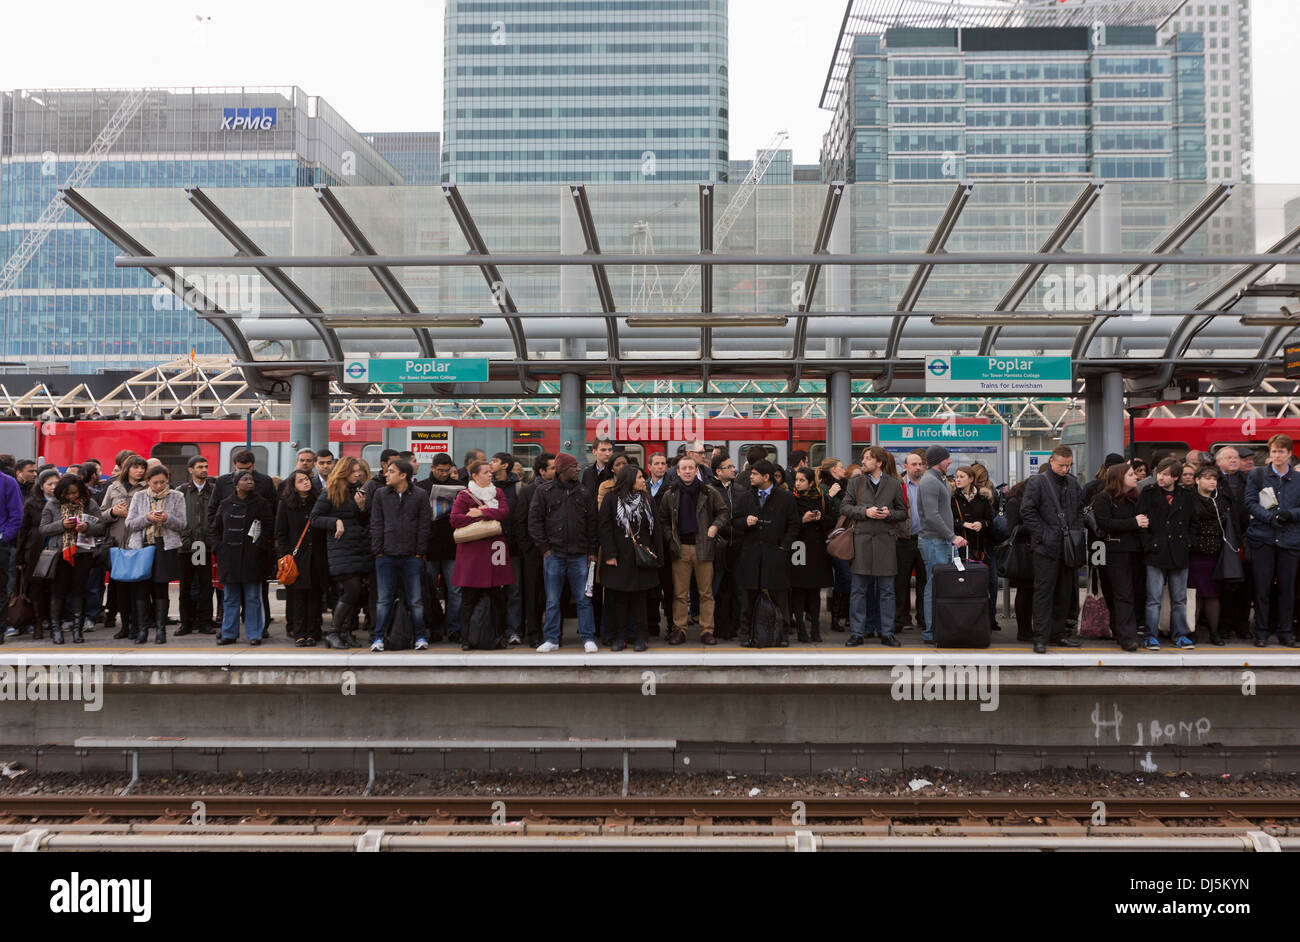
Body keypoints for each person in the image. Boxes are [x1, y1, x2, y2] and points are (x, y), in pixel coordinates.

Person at [529, 452, 598, 653]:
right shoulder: (544, 491)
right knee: (552, 599)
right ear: (562, 470)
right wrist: (545, 549)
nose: (578, 469)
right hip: (554, 554)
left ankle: (588, 637)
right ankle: (551, 638)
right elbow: (534, 521)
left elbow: (592, 524)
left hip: (579, 554)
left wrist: (592, 551)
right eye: (574, 466)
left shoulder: (584, 493)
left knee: (584, 598)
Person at [1020, 446, 1086, 653]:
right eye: (1061, 465)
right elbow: (1027, 510)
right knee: (1044, 593)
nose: (1065, 469)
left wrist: (1074, 531)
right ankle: (1041, 636)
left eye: (1068, 465)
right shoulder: (1038, 482)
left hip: (1066, 547)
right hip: (1046, 548)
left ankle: (1057, 634)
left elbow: (1078, 512)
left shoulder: (1073, 483)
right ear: (1051, 461)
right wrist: (1042, 535)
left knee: (1064, 593)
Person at [657, 454, 727, 645]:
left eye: (691, 468)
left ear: (696, 471)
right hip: (680, 549)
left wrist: (714, 526)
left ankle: (706, 631)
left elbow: (723, 512)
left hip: (703, 548)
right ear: (677, 472)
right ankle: (680, 630)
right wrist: (670, 538)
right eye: (684, 469)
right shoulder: (669, 494)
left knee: (706, 593)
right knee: (680, 594)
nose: (687, 471)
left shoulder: (709, 491)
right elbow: (662, 519)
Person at [841, 445, 906, 647]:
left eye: (868, 458)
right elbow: (844, 507)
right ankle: (857, 632)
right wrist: (865, 512)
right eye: (864, 458)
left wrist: (889, 514)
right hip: (861, 541)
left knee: (887, 590)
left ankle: (887, 633)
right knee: (858, 589)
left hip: (885, 541)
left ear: (879, 462)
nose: (864, 462)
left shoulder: (894, 484)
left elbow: (903, 512)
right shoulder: (855, 482)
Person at [208, 449, 278, 633]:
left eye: (249, 472)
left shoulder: (265, 485)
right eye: (241, 472)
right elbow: (213, 516)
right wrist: (219, 546)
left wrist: (262, 545)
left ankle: (258, 630)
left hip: (254, 553)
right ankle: (229, 632)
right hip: (229, 553)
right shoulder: (223, 485)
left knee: (255, 595)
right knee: (229, 596)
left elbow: (271, 518)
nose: (249, 480)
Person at [733, 460, 800, 647]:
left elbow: (794, 524)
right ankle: (746, 634)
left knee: (779, 595)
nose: (750, 476)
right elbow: (735, 521)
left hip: (775, 553)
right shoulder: (746, 497)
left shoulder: (785, 498)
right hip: (751, 554)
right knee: (748, 595)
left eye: (754, 474)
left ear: (766, 477)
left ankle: (782, 634)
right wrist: (745, 521)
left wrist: (784, 546)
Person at [598, 464, 662, 651]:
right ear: (630, 479)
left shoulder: (647, 499)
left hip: (642, 558)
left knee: (640, 599)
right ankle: (621, 636)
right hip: (619, 557)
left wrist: (656, 553)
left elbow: (654, 529)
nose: (644, 481)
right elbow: (605, 528)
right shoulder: (611, 499)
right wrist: (609, 554)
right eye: (641, 477)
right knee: (620, 599)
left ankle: (642, 636)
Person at [1244, 433, 1300, 647]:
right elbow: (1249, 502)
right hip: (1263, 539)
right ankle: (1261, 632)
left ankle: (1285, 633)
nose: (1277, 455)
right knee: (1261, 588)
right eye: (1274, 451)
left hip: (1290, 541)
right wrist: (1270, 517)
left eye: (1281, 452)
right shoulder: (1257, 475)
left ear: (1289, 454)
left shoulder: (1298, 479)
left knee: (1288, 590)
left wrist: (1289, 515)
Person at [370, 458, 431, 652]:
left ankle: (420, 636)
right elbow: (376, 523)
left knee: (415, 599)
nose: (386, 474)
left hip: (411, 555)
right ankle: (379, 637)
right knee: (384, 599)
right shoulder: (381, 494)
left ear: (403, 475)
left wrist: (419, 551)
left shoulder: (420, 494)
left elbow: (424, 525)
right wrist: (378, 550)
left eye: (391, 471)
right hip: (385, 554)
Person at [450, 460, 512, 650]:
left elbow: (503, 513)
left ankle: (499, 635)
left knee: (497, 598)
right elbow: (455, 519)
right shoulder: (464, 495)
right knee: (469, 598)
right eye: (485, 472)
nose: (489, 475)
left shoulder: (498, 492)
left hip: (494, 551)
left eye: (490, 472)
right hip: (472, 553)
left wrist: (482, 512)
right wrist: (476, 515)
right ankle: (466, 638)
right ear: (474, 476)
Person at [38, 474, 105, 645]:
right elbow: (43, 529)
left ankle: (77, 629)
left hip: (83, 553)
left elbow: (101, 527)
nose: (72, 497)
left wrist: (87, 527)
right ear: (61, 493)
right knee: (58, 592)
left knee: (79, 591)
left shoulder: (90, 503)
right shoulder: (52, 504)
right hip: (59, 554)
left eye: (75, 493)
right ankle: (56, 629)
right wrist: (61, 525)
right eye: (68, 494)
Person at [1135, 456, 1194, 650]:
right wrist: (1149, 545)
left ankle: (1180, 635)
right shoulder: (1148, 493)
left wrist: (1187, 543)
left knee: (1179, 599)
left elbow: (1192, 523)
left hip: (1179, 551)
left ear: (1176, 477)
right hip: (1156, 551)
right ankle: (1151, 635)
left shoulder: (1186, 495)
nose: (1161, 477)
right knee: (1153, 598)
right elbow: (1141, 522)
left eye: (1166, 474)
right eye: (1159, 473)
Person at [310, 456, 369, 650]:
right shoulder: (330, 492)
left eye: (358, 471)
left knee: (354, 592)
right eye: (353, 471)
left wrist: (361, 508)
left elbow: (362, 521)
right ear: (344, 472)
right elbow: (315, 518)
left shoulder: (357, 491)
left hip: (357, 549)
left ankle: (345, 632)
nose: (357, 474)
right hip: (341, 549)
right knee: (351, 590)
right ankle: (334, 632)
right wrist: (334, 522)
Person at [124, 465, 185, 645]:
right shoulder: (139, 496)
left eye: (163, 482)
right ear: (148, 482)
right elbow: (130, 523)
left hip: (164, 546)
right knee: (141, 589)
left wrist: (167, 518)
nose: (159, 486)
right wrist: (147, 518)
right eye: (155, 482)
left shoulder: (177, 496)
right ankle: (143, 630)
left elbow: (182, 524)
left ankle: (160, 630)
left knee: (161, 588)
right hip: (142, 546)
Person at [1092, 462, 1146, 652]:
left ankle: (1122, 631)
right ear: (1119, 477)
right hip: (1114, 552)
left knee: (1131, 594)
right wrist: (1134, 522)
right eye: (1131, 474)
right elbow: (1105, 523)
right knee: (1123, 595)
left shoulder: (1135, 498)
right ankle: (1127, 637)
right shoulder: (1103, 498)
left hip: (1135, 552)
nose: (1136, 477)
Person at [916, 446, 968, 644]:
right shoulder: (930, 481)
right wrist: (952, 536)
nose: (949, 462)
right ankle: (931, 631)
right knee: (934, 586)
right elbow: (931, 515)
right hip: (934, 542)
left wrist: (950, 537)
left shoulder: (942, 479)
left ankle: (940, 627)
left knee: (941, 586)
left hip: (943, 541)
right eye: (947, 459)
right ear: (939, 460)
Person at [276, 469, 326, 647]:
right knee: (297, 597)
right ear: (294, 486)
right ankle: (299, 633)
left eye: (307, 479)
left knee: (314, 596)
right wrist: (286, 554)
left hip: (316, 557)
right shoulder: (286, 504)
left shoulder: (318, 501)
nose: (306, 482)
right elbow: (281, 532)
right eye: (301, 481)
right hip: (296, 558)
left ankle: (313, 632)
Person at [102, 455, 148, 640]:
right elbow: (100, 513)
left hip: (139, 544)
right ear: (127, 468)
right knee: (120, 588)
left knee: (139, 587)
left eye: (142, 468)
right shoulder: (113, 488)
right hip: (117, 543)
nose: (140, 471)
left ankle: (138, 625)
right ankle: (124, 626)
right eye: (136, 467)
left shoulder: (147, 488)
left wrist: (134, 515)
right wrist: (113, 512)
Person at [422, 453, 466, 642]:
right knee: (430, 589)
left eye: (446, 471)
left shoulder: (459, 488)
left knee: (455, 589)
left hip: (452, 544)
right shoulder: (422, 487)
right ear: (432, 468)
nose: (443, 474)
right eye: (440, 470)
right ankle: (435, 627)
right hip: (429, 547)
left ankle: (453, 628)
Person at [788, 467, 834, 643]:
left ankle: (815, 629)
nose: (798, 483)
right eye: (797, 480)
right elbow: (786, 523)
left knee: (814, 591)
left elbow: (832, 520)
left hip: (817, 550)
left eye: (801, 480)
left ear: (810, 483)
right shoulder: (791, 499)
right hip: (798, 549)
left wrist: (819, 518)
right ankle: (801, 629)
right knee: (798, 590)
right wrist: (802, 520)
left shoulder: (820, 498)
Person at [13, 469, 60, 639]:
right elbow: (23, 530)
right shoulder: (31, 503)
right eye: (50, 484)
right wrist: (19, 557)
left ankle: (55, 625)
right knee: (36, 589)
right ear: (41, 486)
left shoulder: (64, 502)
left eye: (56, 483)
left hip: (57, 550)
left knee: (56, 588)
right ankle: (38, 623)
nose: (54, 487)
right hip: (35, 551)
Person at [1188, 465, 1231, 647]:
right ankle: (1192, 632)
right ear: (1198, 480)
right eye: (1207, 477)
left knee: (1213, 594)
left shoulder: (1221, 499)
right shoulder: (1189, 498)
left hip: (1216, 553)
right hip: (1194, 554)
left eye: (1214, 478)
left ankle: (1214, 633)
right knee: (1194, 595)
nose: (1212, 481)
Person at [514, 453, 553, 648]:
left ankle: (554, 632)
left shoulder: (559, 490)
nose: (556, 471)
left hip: (555, 551)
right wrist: (527, 549)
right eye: (552, 468)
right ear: (542, 471)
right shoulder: (528, 492)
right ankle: (534, 632)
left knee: (552, 594)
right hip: (533, 553)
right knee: (532, 594)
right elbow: (520, 522)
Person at [1214, 446, 1252, 640]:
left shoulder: (1249, 480)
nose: (1233, 460)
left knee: (1246, 585)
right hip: (1223, 539)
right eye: (1229, 457)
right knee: (1226, 585)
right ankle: (1224, 625)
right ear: (1218, 461)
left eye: (1236, 457)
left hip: (1247, 538)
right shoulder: (1215, 481)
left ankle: (1242, 625)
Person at [177, 456, 217, 636]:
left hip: (203, 545)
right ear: (190, 470)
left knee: (205, 586)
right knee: (185, 586)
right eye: (200, 467)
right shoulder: (181, 491)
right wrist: (184, 539)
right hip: (186, 545)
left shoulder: (214, 490)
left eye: (206, 466)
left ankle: (205, 622)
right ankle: (186, 622)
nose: (204, 469)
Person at [489, 451, 525, 645]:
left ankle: (514, 630)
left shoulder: (518, 487)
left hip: (513, 547)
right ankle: (495, 628)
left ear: (505, 465)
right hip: (492, 545)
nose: (491, 464)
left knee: (514, 590)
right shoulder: (487, 487)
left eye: (494, 461)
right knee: (494, 589)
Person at [708, 452, 741, 640]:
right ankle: (716, 626)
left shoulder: (739, 489)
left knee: (736, 588)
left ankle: (735, 625)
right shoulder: (710, 490)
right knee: (716, 588)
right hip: (718, 546)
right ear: (718, 471)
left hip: (736, 545)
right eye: (729, 467)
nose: (733, 469)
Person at [895, 448, 927, 634]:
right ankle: (902, 618)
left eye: (920, 464)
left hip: (925, 539)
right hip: (904, 539)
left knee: (925, 581)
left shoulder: (928, 485)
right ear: (905, 466)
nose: (918, 467)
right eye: (913, 464)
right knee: (901, 581)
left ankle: (923, 618)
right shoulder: (899, 486)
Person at [818, 458, 851, 632]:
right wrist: (830, 495)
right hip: (829, 538)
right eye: (840, 467)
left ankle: (839, 615)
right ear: (832, 470)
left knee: (844, 577)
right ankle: (835, 617)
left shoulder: (846, 486)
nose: (843, 469)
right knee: (839, 576)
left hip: (844, 538)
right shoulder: (823, 488)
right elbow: (821, 511)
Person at [1001, 478, 1036, 641]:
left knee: (1030, 592)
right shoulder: (1014, 502)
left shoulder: (1029, 500)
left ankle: (1029, 629)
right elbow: (1012, 528)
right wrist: (1037, 525)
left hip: (1032, 551)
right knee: (1024, 591)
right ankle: (1024, 631)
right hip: (1022, 552)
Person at [644, 452, 673, 637]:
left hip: (667, 545)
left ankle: (672, 625)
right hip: (648, 546)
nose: (661, 466)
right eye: (657, 463)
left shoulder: (673, 487)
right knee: (650, 589)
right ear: (650, 467)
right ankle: (652, 624)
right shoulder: (642, 486)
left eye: (663, 463)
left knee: (669, 587)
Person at [0, 459, 23, 630]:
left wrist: (4, 537)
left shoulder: (8, 482)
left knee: (2, 588)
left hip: (2, 544)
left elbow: (16, 515)